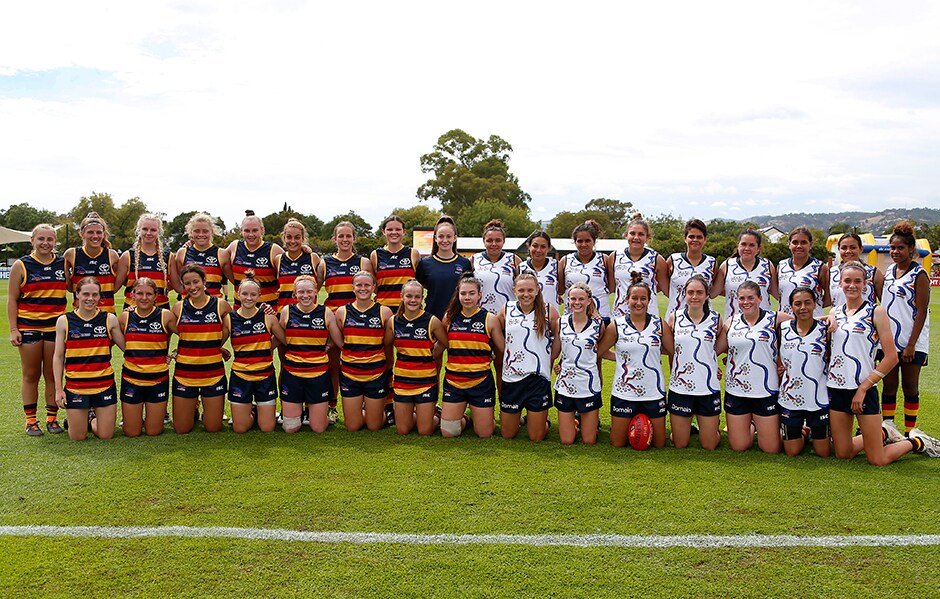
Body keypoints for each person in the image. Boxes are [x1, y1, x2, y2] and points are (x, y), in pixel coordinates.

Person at [828, 261, 939, 463]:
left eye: (857, 281)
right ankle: (885, 432)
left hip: (863, 390)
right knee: (843, 453)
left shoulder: (876, 312)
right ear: (840, 283)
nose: (852, 285)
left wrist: (863, 388)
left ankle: (917, 441)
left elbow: (891, 357)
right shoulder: (834, 313)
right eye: (847, 281)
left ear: (865, 284)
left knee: (877, 460)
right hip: (836, 389)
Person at [598, 272, 673, 449]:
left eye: (643, 298)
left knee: (659, 444)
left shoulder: (659, 324)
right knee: (617, 443)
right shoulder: (616, 325)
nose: (638, 303)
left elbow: (672, 351)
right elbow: (599, 352)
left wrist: (647, 353)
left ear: (649, 301)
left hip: (653, 391)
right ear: (627, 300)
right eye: (634, 298)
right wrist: (622, 358)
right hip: (624, 392)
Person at [8, 224, 68, 436]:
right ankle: (30, 420)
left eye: (50, 239)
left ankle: (52, 418)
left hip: (55, 328)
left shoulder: (63, 263)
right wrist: (14, 329)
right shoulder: (21, 265)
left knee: (52, 374)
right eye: (41, 239)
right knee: (31, 374)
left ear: (55, 242)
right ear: (32, 241)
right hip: (29, 327)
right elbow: (12, 299)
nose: (45, 243)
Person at [717, 280, 789, 453]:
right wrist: (713, 367)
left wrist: (829, 318)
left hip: (765, 390)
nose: (746, 302)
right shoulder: (731, 322)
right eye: (742, 298)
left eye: (750, 297)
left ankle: (792, 429)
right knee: (739, 446)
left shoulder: (775, 318)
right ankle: (748, 425)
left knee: (770, 449)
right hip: (737, 391)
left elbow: (805, 323)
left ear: (759, 298)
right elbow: (714, 351)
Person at [52, 277, 125, 441]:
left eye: (95, 295)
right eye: (85, 294)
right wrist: (58, 389)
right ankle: (82, 417)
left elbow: (127, 348)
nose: (90, 299)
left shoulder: (109, 319)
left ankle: (91, 418)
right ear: (77, 294)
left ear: (100, 297)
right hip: (76, 387)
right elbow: (58, 357)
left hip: (104, 386)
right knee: (77, 437)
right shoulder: (64, 321)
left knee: (106, 435)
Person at [317, 221, 374, 424]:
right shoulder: (325, 263)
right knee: (332, 366)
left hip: (358, 322)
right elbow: (313, 289)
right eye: (340, 236)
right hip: (333, 322)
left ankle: (370, 404)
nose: (344, 240)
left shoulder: (363, 262)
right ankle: (332, 407)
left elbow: (369, 289)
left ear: (354, 238)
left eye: (348, 236)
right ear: (334, 239)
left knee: (363, 364)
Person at [880, 221, 932, 436]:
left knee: (910, 387)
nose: (895, 252)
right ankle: (888, 428)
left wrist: (911, 345)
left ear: (911, 250)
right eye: (893, 248)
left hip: (912, 342)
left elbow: (921, 311)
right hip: (889, 341)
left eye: (900, 248)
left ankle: (911, 431)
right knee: (889, 386)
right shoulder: (890, 271)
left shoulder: (919, 275)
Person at [440, 273, 505, 438]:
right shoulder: (449, 317)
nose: (467, 297)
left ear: (479, 295)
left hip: (480, 382)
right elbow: (439, 346)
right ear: (458, 294)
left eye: (471, 293)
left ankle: (478, 415)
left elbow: (502, 348)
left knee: (485, 433)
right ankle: (466, 417)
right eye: (463, 293)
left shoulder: (489, 319)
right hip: (454, 382)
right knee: (449, 433)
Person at [497, 272, 560, 441]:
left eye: (530, 290)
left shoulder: (548, 310)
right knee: (508, 434)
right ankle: (527, 417)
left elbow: (560, 337)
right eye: (522, 290)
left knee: (536, 437)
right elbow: (495, 332)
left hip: (537, 379)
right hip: (512, 379)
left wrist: (550, 360)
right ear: (514, 290)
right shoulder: (507, 309)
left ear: (538, 290)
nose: (526, 294)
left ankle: (541, 420)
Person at [170, 264, 232, 434]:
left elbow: (232, 327)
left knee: (213, 428)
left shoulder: (221, 305)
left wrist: (216, 347)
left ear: (204, 281)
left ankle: (202, 405)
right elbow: (170, 331)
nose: (192, 287)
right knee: (182, 429)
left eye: (196, 281)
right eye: (187, 283)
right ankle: (194, 405)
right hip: (185, 375)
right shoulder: (178, 308)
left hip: (213, 375)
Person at [279, 276, 343, 433]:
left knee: (318, 428)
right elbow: (278, 337)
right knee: (290, 428)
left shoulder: (326, 312)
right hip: (293, 374)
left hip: (318, 375)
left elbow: (339, 341)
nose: (305, 295)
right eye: (301, 292)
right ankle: (296, 411)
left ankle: (318, 412)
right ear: (295, 294)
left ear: (316, 292)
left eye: (309, 291)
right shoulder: (287, 311)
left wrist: (328, 344)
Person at [666, 275, 722, 449]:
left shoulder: (716, 319)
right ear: (684, 294)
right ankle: (684, 425)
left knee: (709, 445)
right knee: (680, 443)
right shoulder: (674, 318)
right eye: (690, 292)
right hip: (681, 388)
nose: (695, 296)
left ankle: (713, 428)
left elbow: (716, 348)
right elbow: (670, 350)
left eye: (699, 292)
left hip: (708, 388)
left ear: (706, 295)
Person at [226, 275, 287, 433]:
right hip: (240, 377)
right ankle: (251, 410)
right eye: (245, 294)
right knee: (240, 428)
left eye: (253, 294)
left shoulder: (269, 317)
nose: (249, 298)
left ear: (259, 296)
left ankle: (258, 410)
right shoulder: (230, 319)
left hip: (265, 376)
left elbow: (285, 340)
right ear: (238, 294)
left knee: (267, 428)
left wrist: (268, 347)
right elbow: (214, 342)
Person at [334, 271, 393, 432]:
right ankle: (366, 409)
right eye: (359, 285)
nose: (363, 288)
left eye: (367, 285)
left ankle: (380, 411)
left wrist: (388, 367)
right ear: (353, 288)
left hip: (376, 374)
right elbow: (339, 340)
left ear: (374, 287)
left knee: (374, 426)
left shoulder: (385, 312)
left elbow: (388, 344)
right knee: (353, 427)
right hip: (349, 374)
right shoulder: (342, 312)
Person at [386, 279, 447, 435]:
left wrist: (435, 353)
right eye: (409, 296)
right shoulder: (393, 321)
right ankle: (417, 414)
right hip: (402, 381)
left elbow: (446, 342)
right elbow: (387, 345)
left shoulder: (432, 321)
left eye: (417, 297)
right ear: (402, 297)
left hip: (426, 381)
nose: (413, 300)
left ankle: (437, 415)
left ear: (422, 298)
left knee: (424, 431)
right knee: (403, 430)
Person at [777, 287, 831, 457]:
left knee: (823, 452)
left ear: (815, 304)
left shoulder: (825, 329)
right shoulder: (783, 328)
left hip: (818, 398)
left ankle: (812, 429)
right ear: (791, 307)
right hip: (790, 398)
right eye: (797, 303)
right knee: (792, 452)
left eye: (807, 303)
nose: (803, 307)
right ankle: (805, 431)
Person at [118, 278, 174, 437]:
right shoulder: (125, 317)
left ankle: (153, 416)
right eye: (139, 293)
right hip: (131, 379)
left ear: (156, 295)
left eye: (149, 294)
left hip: (158, 380)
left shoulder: (166, 316)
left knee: (153, 431)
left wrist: (175, 353)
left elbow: (187, 335)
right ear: (132, 295)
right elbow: (120, 343)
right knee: (131, 432)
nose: (144, 297)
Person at [553, 283, 605, 445]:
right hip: (565, 384)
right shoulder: (560, 322)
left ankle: (588, 421)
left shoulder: (599, 325)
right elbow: (556, 351)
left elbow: (600, 352)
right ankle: (575, 421)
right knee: (567, 440)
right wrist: (556, 364)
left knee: (589, 440)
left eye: (581, 299)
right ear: (568, 300)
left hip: (588, 385)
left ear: (589, 301)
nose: (577, 302)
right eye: (573, 298)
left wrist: (625, 358)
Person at [64, 212, 125, 313]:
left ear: (104, 234)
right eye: (90, 232)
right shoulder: (71, 254)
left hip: (106, 315)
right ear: (82, 233)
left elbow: (115, 287)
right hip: (80, 315)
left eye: (99, 232)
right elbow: (69, 287)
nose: (95, 236)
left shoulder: (112, 255)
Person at [610, 213, 669, 318]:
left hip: (649, 315)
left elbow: (666, 289)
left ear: (647, 237)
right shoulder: (614, 256)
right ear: (626, 235)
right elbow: (611, 286)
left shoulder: (656, 259)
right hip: (620, 316)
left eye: (641, 234)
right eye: (632, 233)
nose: (636, 238)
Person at [415, 216, 472, 320]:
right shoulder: (425, 263)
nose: (445, 240)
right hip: (431, 318)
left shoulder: (464, 263)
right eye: (441, 236)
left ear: (455, 238)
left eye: (448, 236)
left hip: (458, 319)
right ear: (435, 238)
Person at [711, 229, 776, 318]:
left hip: (763, 324)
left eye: (752, 245)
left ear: (758, 249)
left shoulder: (767, 266)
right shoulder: (727, 265)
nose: (747, 248)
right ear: (738, 246)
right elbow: (712, 293)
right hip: (734, 325)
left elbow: (778, 294)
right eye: (743, 244)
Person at [226, 210, 284, 309]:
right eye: (247, 231)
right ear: (241, 231)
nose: (251, 234)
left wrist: (304, 250)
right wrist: (192, 244)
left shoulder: (274, 250)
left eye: (255, 230)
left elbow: (292, 264)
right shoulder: (234, 247)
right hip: (240, 311)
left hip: (268, 313)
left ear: (262, 230)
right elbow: (218, 259)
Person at [119, 213, 178, 310]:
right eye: (145, 229)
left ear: (159, 232)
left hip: (161, 310)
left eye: (153, 230)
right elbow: (114, 287)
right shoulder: (128, 256)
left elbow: (177, 286)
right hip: (133, 310)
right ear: (139, 230)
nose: (149, 233)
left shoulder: (168, 256)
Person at [558, 220, 610, 322]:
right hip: (573, 316)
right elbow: (560, 289)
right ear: (575, 242)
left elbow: (611, 286)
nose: (583, 244)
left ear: (594, 241)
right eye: (580, 241)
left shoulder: (604, 259)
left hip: (600, 315)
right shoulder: (566, 260)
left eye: (587, 240)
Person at [175, 212, 234, 299]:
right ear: (191, 232)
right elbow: (177, 281)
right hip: (188, 307)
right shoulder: (182, 253)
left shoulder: (221, 254)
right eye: (197, 231)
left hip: (214, 307)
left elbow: (234, 281)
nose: (201, 235)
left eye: (205, 231)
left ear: (212, 232)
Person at [665, 218, 716, 318]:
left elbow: (714, 290)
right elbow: (664, 287)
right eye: (691, 236)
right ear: (685, 238)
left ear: (705, 239)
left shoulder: (712, 263)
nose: (695, 240)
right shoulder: (673, 260)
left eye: (699, 237)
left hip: (704, 318)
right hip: (675, 317)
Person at [371, 215, 421, 310]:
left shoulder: (413, 253)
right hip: (382, 310)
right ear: (383, 231)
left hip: (407, 310)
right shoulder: (376, 255)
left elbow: (419, 282)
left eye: (398, 229)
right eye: (390, 229)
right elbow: (374, 285)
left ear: (404, 231)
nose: (394, 232)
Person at [776, 226, 828, 316]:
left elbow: (829, 296)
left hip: (812, 322)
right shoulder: (781, 266)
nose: (799, 246)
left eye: (803, 242)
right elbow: (777, 293)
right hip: (786, 323)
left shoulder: (820, 267)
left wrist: (814, 306)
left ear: (810, 245)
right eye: (795, 242)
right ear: (789, 244)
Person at [472, 219, 520, 314]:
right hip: (481, 316)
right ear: (484, 241)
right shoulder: (474, 260)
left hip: (508, 315)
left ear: (503, 241)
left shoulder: (514, 260)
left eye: (498, 240)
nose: (494, 244)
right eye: (489, 240)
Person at [275, 218, 322, 311]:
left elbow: (317, 286)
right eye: (289, 237)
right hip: (284, 316)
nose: (292, 241)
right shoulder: (278, 259)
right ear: (284, 238)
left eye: (297, 237)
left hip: (308, 315)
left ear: (303, 238)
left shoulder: (313, 258)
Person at [829, 232, 882, 309]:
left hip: (865, 319)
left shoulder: (874, 272)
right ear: (838, 249)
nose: (848, 251)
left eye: (853, 247)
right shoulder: (831, 273)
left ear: (861, 249)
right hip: (839, 320)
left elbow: (885, 301)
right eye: (844, 248)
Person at [519, 230, 560, 312]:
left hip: (551, 319)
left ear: (548, 248)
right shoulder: (520, 268)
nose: (538, 250)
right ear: (529, 246)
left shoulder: (557, 266)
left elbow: (561, 290)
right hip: (528, 319)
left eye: (543, 247)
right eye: (535, 246)